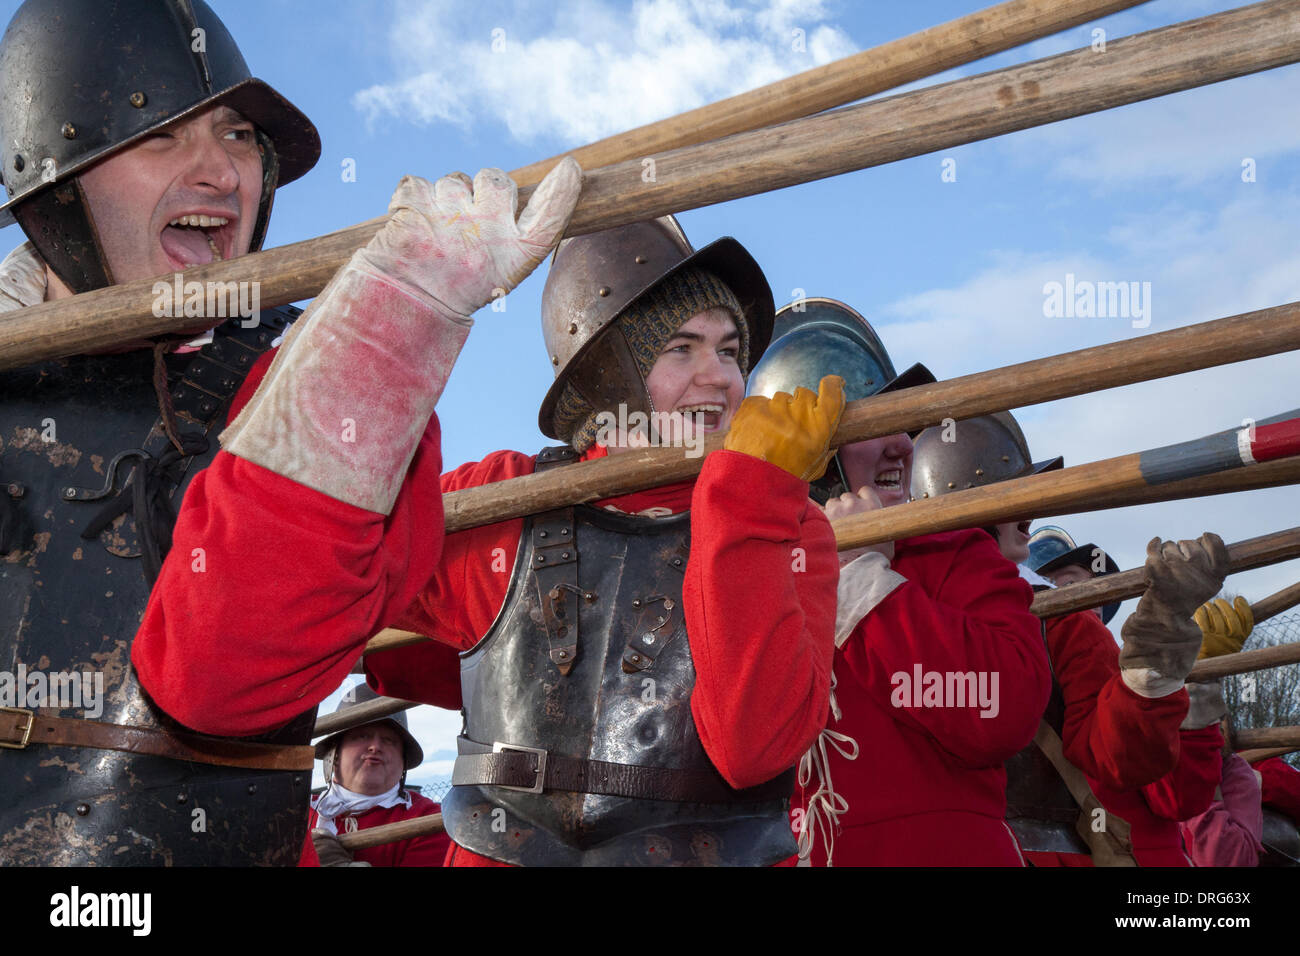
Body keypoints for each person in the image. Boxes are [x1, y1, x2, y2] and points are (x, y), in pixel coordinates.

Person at [135, 213, 845, 866]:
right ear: (608, 372)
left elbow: (754, 748)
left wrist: (749, 502)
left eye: (730, 351)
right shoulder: (502, 499)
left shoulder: (787, 522)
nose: (721, 377)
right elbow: (325, 623)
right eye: (680, 348)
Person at [0, 0, 320, 864]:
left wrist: (387, 348)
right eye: (161, 136)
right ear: (57, 194)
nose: (220, 173)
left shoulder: (297, 379)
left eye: (239, 135)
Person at [747, 298, 1051, 866]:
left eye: (903, 425)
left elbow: (1003, 712)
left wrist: (866, 586)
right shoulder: (748, 572)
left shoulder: (953, 550)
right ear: (809, 455)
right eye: (869, 426)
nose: (904, 445)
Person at [912, 421, 1230, 866]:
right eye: (1013, 493)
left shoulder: (893, 609)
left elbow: (1152, 776)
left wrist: (1169, 664)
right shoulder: (1061, 623)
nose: (1031, 506)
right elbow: (1130, 761)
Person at [301, 684, 449, 867]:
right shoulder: (294, 811)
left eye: (389, 740)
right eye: (362, 736)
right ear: (334, 753)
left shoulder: (427, 819)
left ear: (403, 760)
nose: (375, 747)